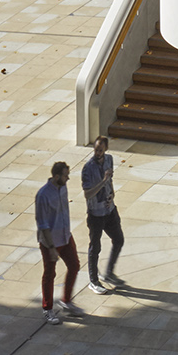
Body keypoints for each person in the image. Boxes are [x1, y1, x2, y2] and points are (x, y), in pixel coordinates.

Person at [35, 161, 83, 323]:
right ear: (56, 176)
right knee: (50, 274)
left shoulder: (63, 188)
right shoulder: (43, 195)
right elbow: (42, 224)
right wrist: (51, 248)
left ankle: (66, 300)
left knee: (74, 265)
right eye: (65, 175)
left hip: (65, 236)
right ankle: (47, 309)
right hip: (51, 241)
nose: (68, 178)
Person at [81, 135, 124, 294]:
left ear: (105, 149)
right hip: (96, 214)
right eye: (96, 149)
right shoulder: (88, 168)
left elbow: (110, 180)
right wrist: (103, 181)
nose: (97, 152)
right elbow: (87, 194)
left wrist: (112, 193)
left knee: (119, 239)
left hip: (109, 209)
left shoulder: (109, 159)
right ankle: (93, 280)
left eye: (100, 149)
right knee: (95, 246)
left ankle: (109, 273)